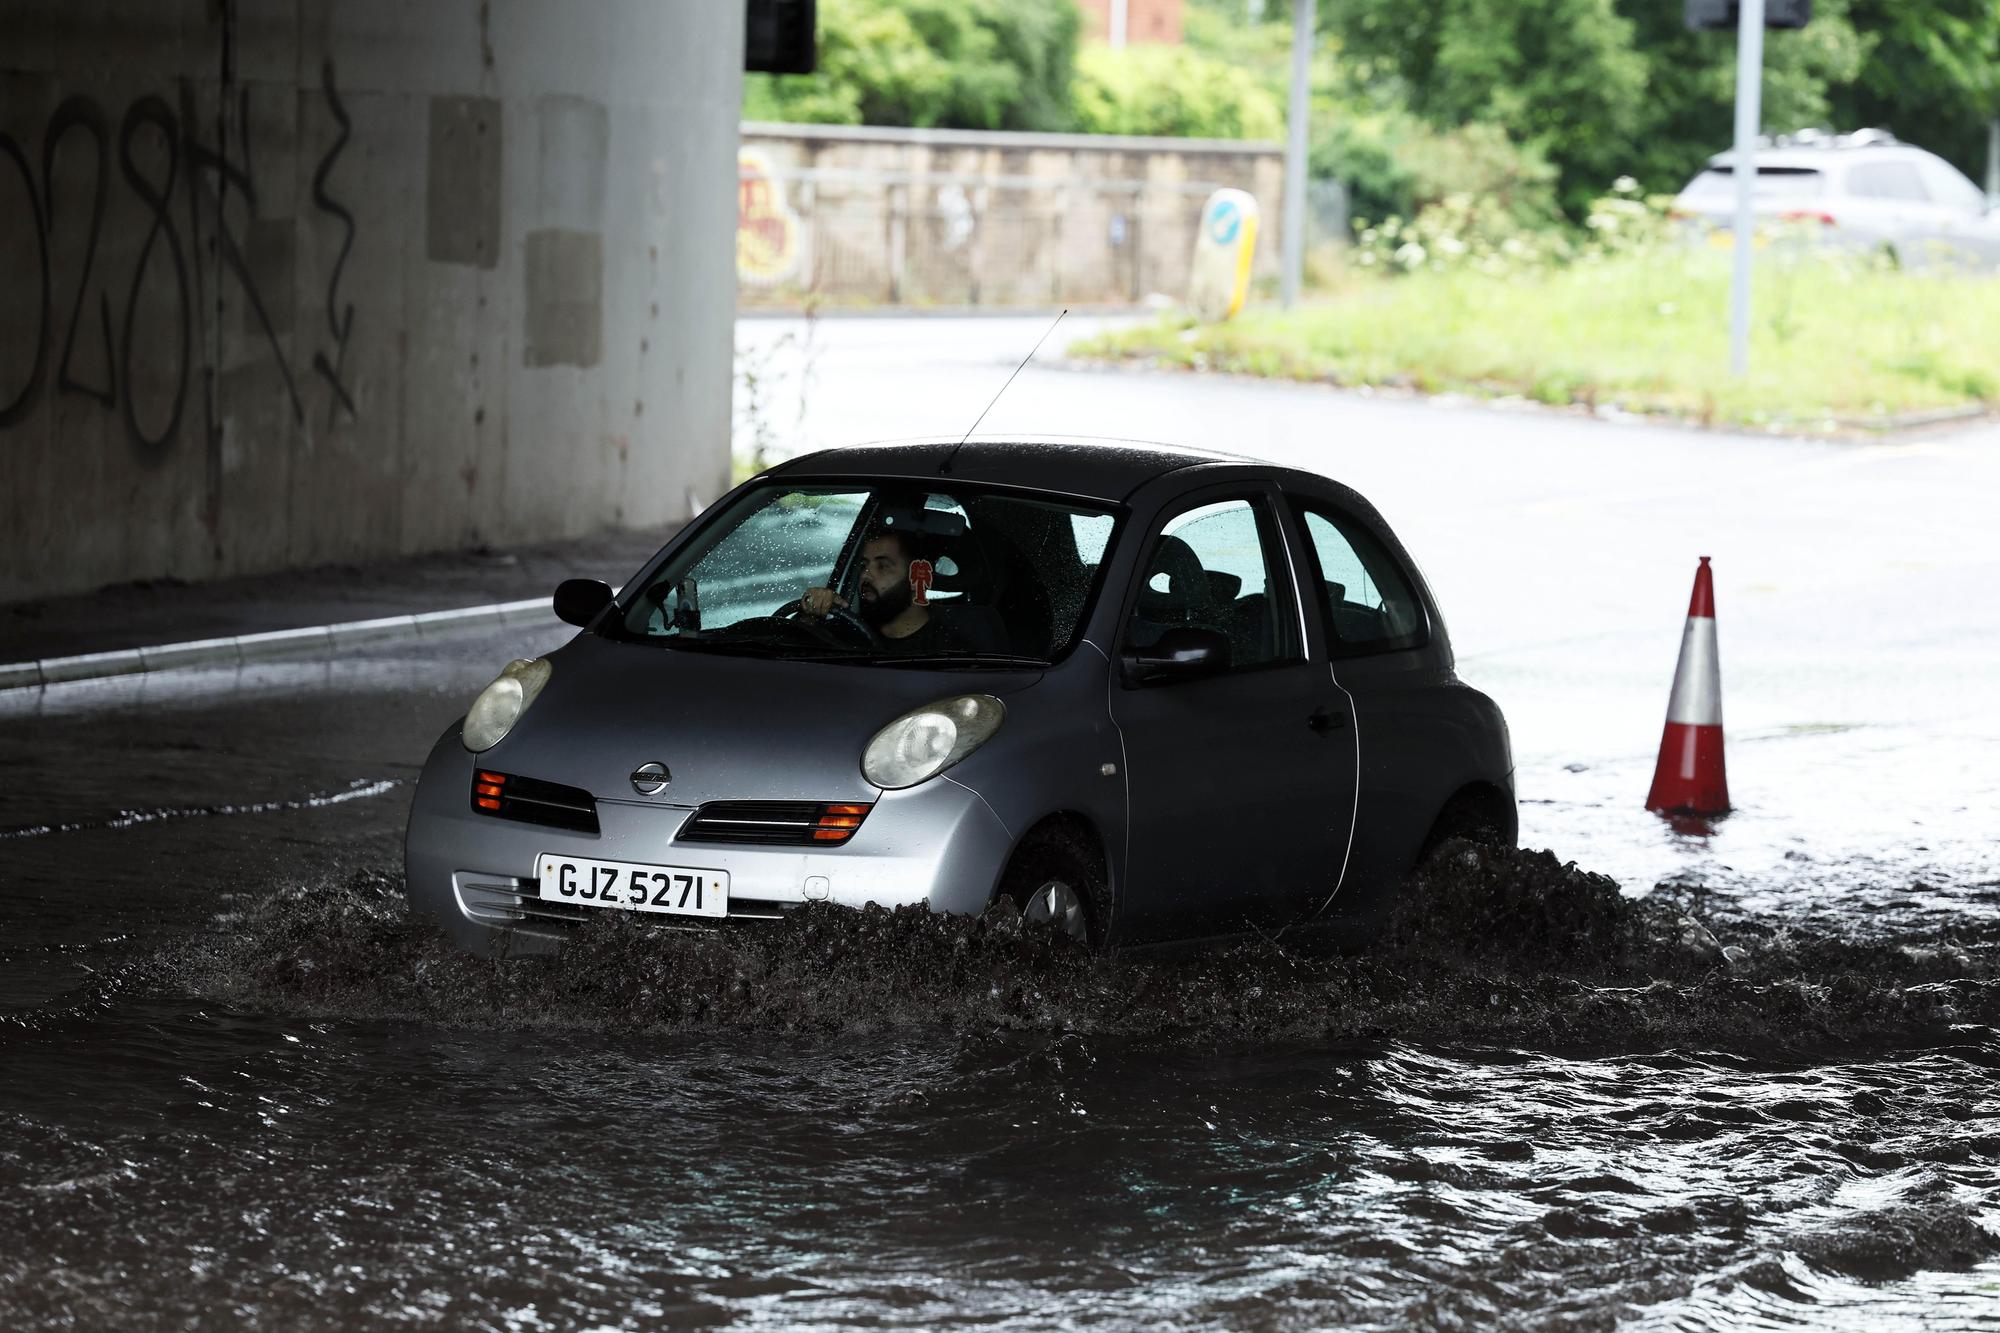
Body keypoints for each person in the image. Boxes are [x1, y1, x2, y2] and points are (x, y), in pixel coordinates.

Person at [799, 526, 968, 653]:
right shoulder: (847, 632)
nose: (866, 575)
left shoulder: (947, 652)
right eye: (863, 565)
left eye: (883, 566)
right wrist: (812, 615)